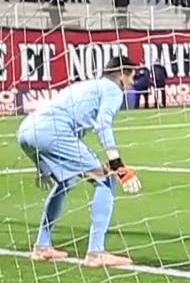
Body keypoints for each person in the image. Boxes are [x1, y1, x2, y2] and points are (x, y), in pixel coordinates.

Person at [15, 56, 142, 268]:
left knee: (66, 182)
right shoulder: (113, 90)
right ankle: (96, 253)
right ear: (121, 75)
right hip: (51, 133)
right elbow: (103, 124)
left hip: (27, 131)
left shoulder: (87, 85)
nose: (132, 82)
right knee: (105, 179)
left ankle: (42, 247)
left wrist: (41, 167)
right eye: (132, 76)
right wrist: (118, 166)